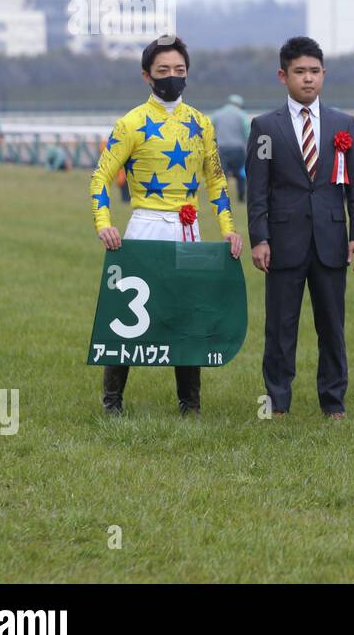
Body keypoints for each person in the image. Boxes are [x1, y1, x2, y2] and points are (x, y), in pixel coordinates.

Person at [90, 35, 243, 416]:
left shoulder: (201, 123)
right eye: (163, 71)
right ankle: (113, 404)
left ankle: (190, 405)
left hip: (188, 231)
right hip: (144, 228)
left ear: (187, 73)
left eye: (178, 70)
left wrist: (228, 228)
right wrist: (103, 223)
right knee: (125, 316)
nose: (171, 77)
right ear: (147, 76)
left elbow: (217, 182)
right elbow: (100, 178)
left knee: (189, 314)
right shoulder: (130, 123)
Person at [245, 36, 354, 419]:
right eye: (299, 72)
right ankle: (277, 402)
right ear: (283, 76)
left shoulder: (342, 124)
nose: (308, 79)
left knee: (332, 328)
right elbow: (258, 190)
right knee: (280, 329)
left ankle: (333, 403)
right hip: (283, 243)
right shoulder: (265, 126)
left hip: (331, 241)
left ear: (324, 74)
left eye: (315, 71)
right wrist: (260, 238)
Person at [212, 94, 250, 202]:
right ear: (239, 104)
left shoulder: (217, 114)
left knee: (222, 174)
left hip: (222, 149)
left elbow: (210, 130)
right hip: (238, 149)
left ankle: (222, 196)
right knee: (240, 174)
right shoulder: (242, 115)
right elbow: (247, 132)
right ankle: (241, 196)